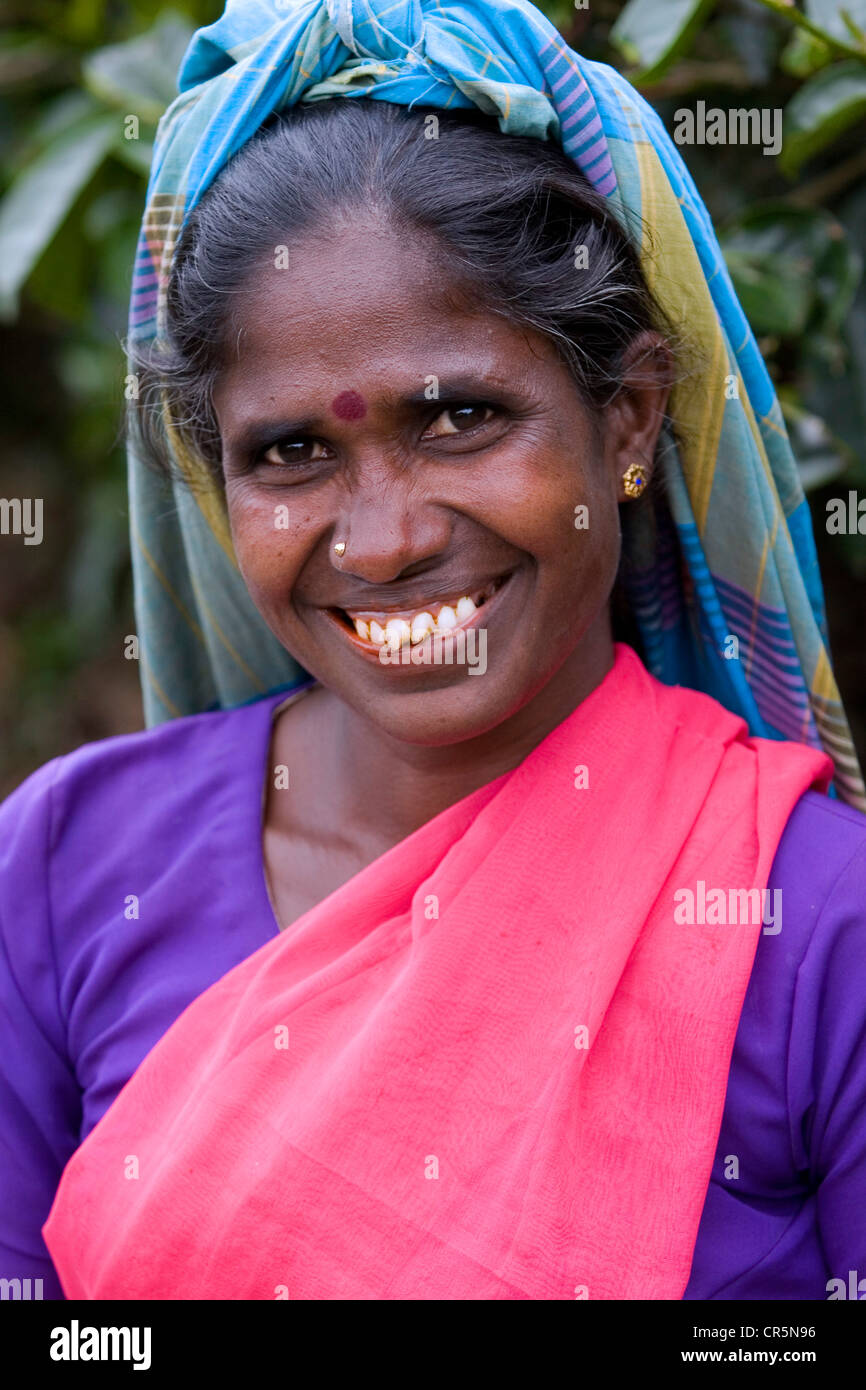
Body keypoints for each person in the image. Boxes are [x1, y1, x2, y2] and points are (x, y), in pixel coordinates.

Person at [2, 0, 865, 1301]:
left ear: (627, 419)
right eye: (290, 452)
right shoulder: (67, 868)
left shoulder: (811, 922)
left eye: (460, 417)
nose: (387, 538)